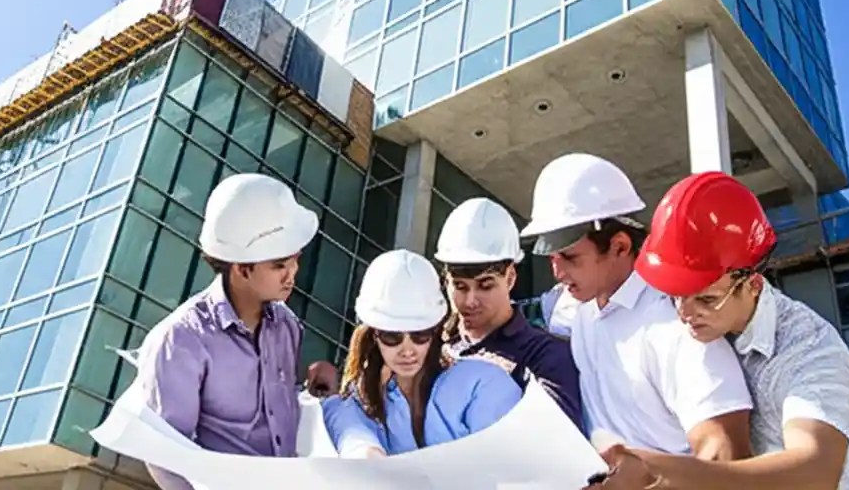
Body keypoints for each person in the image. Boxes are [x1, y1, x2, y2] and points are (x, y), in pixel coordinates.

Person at [587, 171, 849, 489]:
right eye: (677, 295)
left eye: (706, 299)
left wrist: (666, 472)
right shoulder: (695, 325)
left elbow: (815, 472)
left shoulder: (810, 349)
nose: (685, 313)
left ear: (752, 284)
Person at [520, 153, 754, 460]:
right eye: (552, 258)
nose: (558, 273)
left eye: (571, 258)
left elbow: (725, 454)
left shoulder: (678, 322)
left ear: (620, 246)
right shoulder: (580, 311)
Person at [138, 173, 338, 490]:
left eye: (296, 260)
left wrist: (311, 393)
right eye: (279, 265)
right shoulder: (181, 341)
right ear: (242, 267)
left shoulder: (286, 325)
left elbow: (273, 417)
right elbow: (166, 459)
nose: (293, 274)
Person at [321, 249, 521, 456]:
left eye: (420, 335)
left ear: (435, 331)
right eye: (392, 337)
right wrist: (366, 452)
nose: (407, 350)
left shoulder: (485, 383)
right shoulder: (364, 398)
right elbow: (347, 426)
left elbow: (500, 465)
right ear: (374, 336)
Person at [432, 197, 584, 430]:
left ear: (510, 278)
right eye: (460, 286)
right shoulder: (431, 349)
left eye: (485, 286)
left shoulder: (546, 356)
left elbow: (558, 448)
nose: (470, 301)